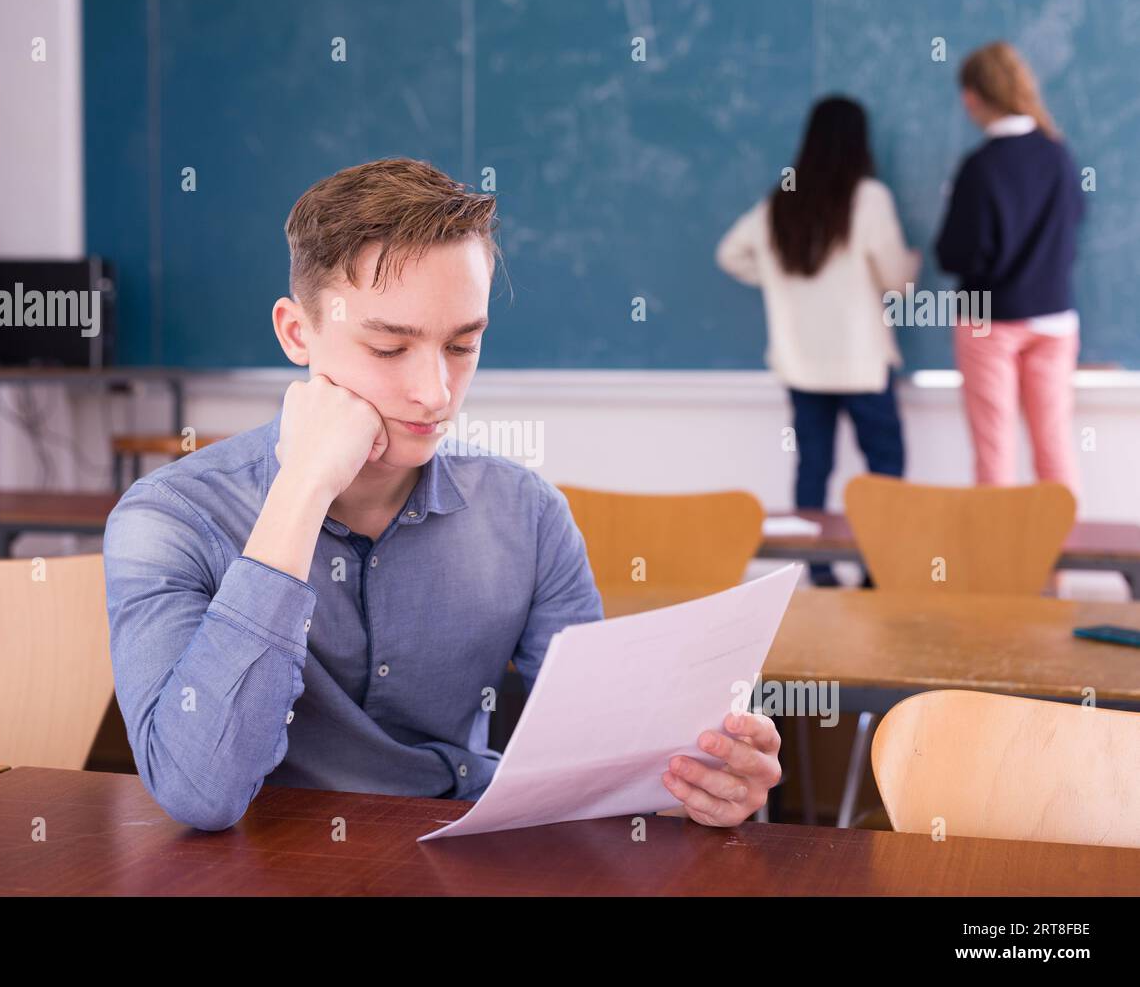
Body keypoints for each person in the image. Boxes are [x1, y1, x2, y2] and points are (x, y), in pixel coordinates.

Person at [103, 157, 783, 830]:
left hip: (460, 859)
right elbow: (200, 792)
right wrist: (303, 488)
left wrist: (692, 780)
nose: (434, 394)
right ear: (296, 333)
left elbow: (601, 756)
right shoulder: (169, 519)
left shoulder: (528, 513)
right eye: (389, 349)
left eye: (462, 346)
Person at [717, 97, 920, 587]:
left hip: (801, 362)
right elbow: (896, 280)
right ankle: (877, 570)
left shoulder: (783, 199)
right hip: (861, 361)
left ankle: (819, 573)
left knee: (814, 466)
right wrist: (910, 265)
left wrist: (775, 278)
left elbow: (729, 253)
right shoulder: (868, 197)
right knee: (884, 467)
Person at [936, 41, 1085, 498]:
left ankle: (998, 569)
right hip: (1054, 320)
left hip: (989, 319)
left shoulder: (981, 167)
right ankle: (1057, 567)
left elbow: (956, 254)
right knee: (1054, 449)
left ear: (971, 97)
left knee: (994, 452)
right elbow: (1076, 221)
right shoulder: (1058, 155)